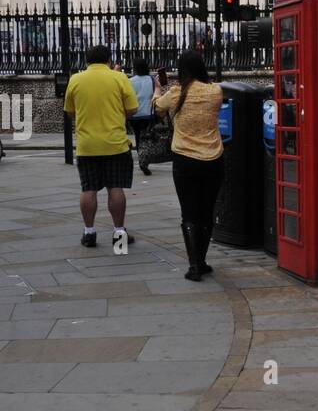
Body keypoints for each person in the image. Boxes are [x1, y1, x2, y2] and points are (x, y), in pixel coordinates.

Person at [153, 52, 224, 280]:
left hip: (185, 160)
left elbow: (157, 109)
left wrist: (157, 89)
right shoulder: (215, 91)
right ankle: (201, 261)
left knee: (189, 213)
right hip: (213, 158)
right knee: (206, 211)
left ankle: (194, 266)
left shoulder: (176, 93)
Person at [63, 44, 137, 249]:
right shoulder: (119, 78)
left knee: (88, 189)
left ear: (87, 61)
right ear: (108, 61)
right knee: (116, 187)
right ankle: (119, 236)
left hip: (87, 145)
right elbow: (132, 109)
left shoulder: (76, 80)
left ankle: (89, 233)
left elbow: (70, 111)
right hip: (115, 144)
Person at [129, 58, 155, 175]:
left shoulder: (130, 81)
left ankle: (142, 159)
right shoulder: (152, 79)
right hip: (148, 114)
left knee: (138, 137)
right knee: (147, 137)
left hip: (135, 114)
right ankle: (145, 159)